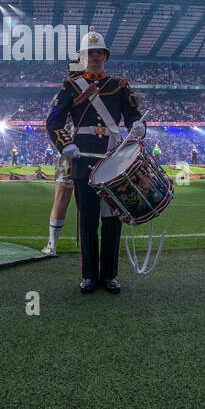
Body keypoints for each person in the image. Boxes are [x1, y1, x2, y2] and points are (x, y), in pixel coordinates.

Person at [45, 27, 143, 294]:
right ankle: (89, 275)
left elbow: (134, 115)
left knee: (112, 219)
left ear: (106, 56)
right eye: (91, 52)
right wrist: (66, 145)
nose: (95, 56)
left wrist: (137, 127)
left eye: (99, 52)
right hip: (82, 159)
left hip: (113, 159)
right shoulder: (70, 86)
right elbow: (53, 122)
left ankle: (109, 275)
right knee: (87, 220)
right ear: (83, 56)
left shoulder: (119, 85)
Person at [42, 54, 84, 257]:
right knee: (85, 199)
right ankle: (57, 244)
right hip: (79, 150)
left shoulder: (64, 91)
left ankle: (52, 245)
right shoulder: (89, 90)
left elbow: (50, 122)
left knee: (62, 198)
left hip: (68, 150)